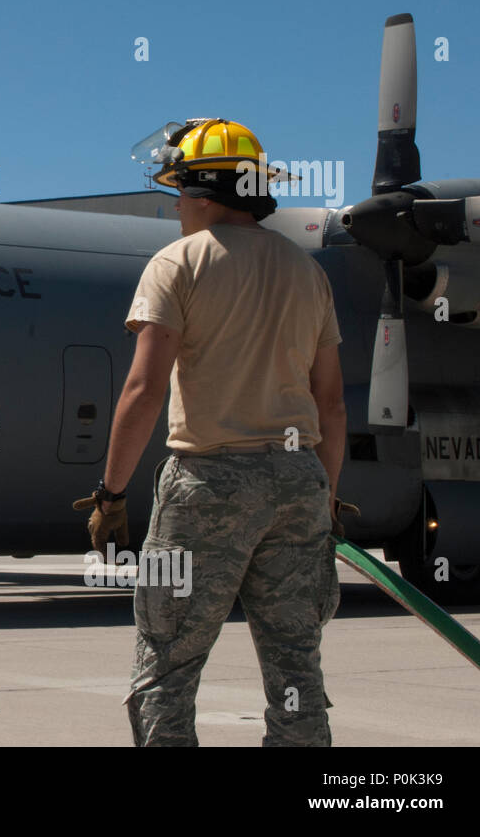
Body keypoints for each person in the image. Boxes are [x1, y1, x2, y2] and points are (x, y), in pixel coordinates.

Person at [73, 118, 348, 746]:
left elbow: (143, 392)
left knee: (167, 661)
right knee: (295, 666)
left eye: (178, 194)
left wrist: (111, 495)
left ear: (201, 194)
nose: (175, 208)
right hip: (299, 482)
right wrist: (324, 501)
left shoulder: (177, 264)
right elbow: (330, 406)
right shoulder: (309, 274)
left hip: (206, 484)